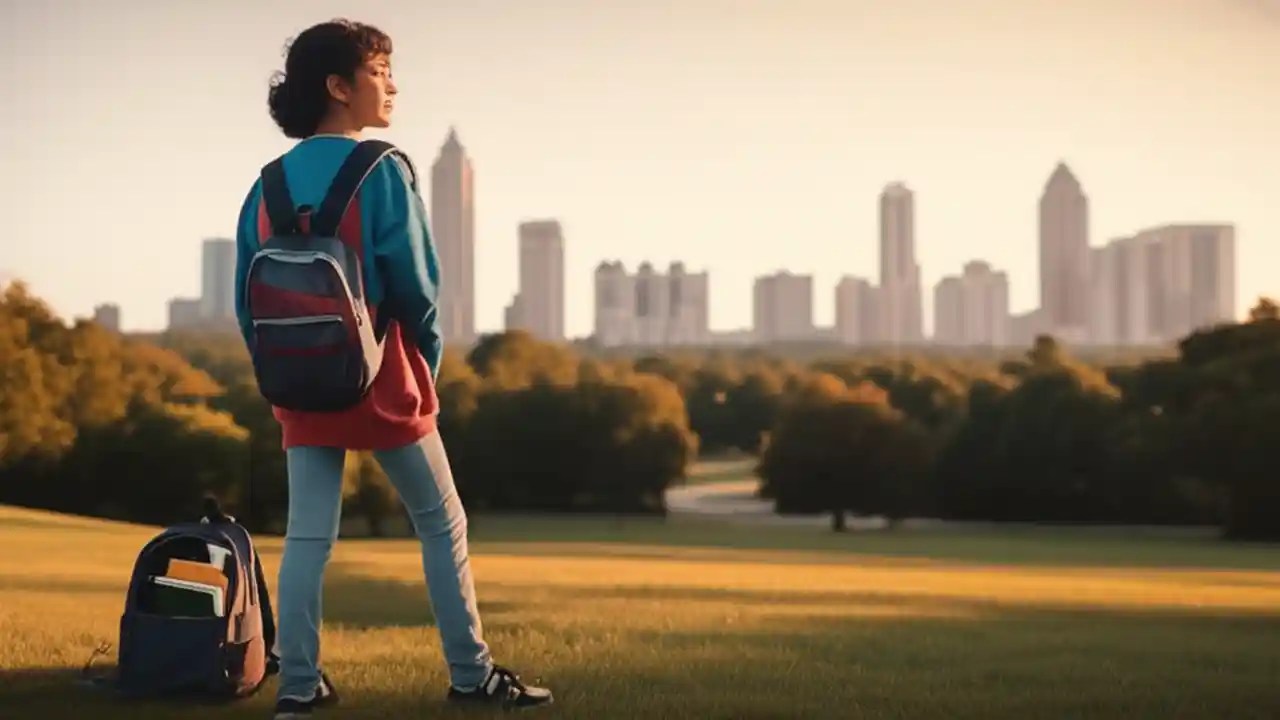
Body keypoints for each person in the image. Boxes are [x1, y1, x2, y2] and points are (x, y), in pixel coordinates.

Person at [232, 18, 553, 719]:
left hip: (300, 388)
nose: (392, 83)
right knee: (442, 526)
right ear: (339, 87)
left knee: (308, 536)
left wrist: (283, 380)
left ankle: (298, 688)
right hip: (385, 382)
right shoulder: (382, 170)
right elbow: (418, 291)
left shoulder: (265, 186)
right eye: (380, 71)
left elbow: (245, 305)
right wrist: (425, 372)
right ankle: (471, 677)